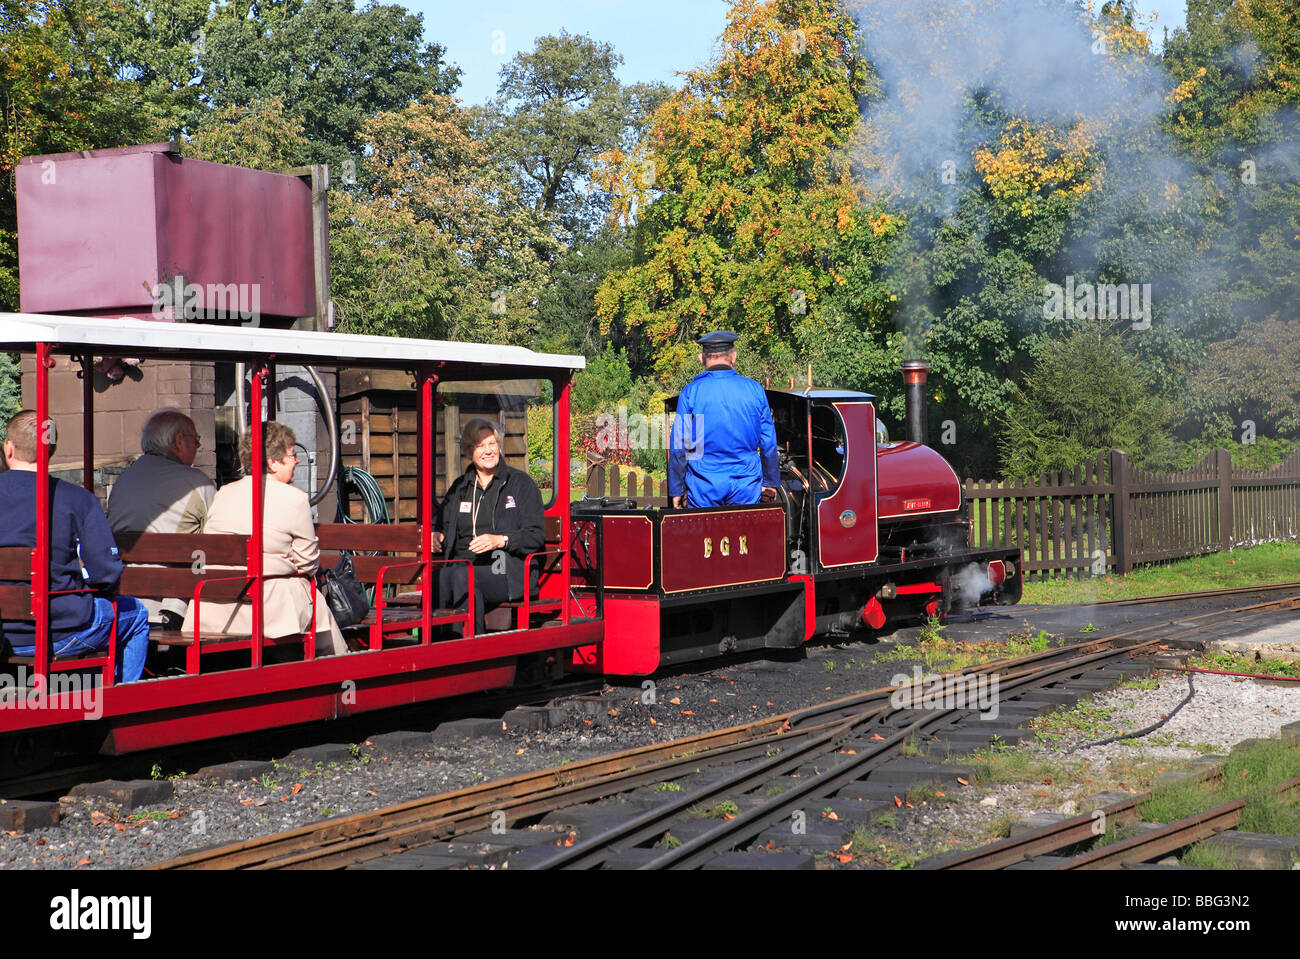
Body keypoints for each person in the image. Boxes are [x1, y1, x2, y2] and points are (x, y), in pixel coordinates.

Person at [0, 411, 150, 683]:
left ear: (8, 448)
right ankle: (124, 702)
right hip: (59, 631)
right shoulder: (76, 499)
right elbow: (106, 573)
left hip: (3, 634)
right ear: (53, 449)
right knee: (137, 613)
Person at [182, 422, 346, 657]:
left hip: (215, 606)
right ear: (272, 462)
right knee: (309, 595)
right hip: (269, 608)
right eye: (292, 455)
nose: (297, 461)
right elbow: (309, 563)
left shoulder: (224, 493)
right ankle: (337, 670)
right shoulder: (295, 499)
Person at [434, 418, 545, 634]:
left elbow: (536, 535)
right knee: (437, 577)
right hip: (462, 566)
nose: (488, 451)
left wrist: (500, 540)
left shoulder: (520, 484)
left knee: (460, 576)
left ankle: (467, 649)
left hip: (505, 569)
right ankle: (432, 651)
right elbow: (441, 521)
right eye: (480, 445)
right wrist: (435, 534)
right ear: (469, 451)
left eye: (492, 444)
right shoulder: (461, 487)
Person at [107, 409, 216, 628]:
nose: (198, 446)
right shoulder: (197, 482)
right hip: (169, 602)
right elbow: (216, 538)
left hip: (122, 591)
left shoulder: (124, 479)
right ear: (178, 441)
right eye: (195, 440)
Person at [668, 330, 779, 508]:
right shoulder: (755, 390)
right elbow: (768, 443)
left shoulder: (691, 393)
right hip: (746, 485)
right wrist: (770, 482)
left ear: (702, 359)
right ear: (733, 357)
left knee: (704, 535)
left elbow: (680, 445)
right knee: (746, 535)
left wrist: (676, 489)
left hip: (703, 487)